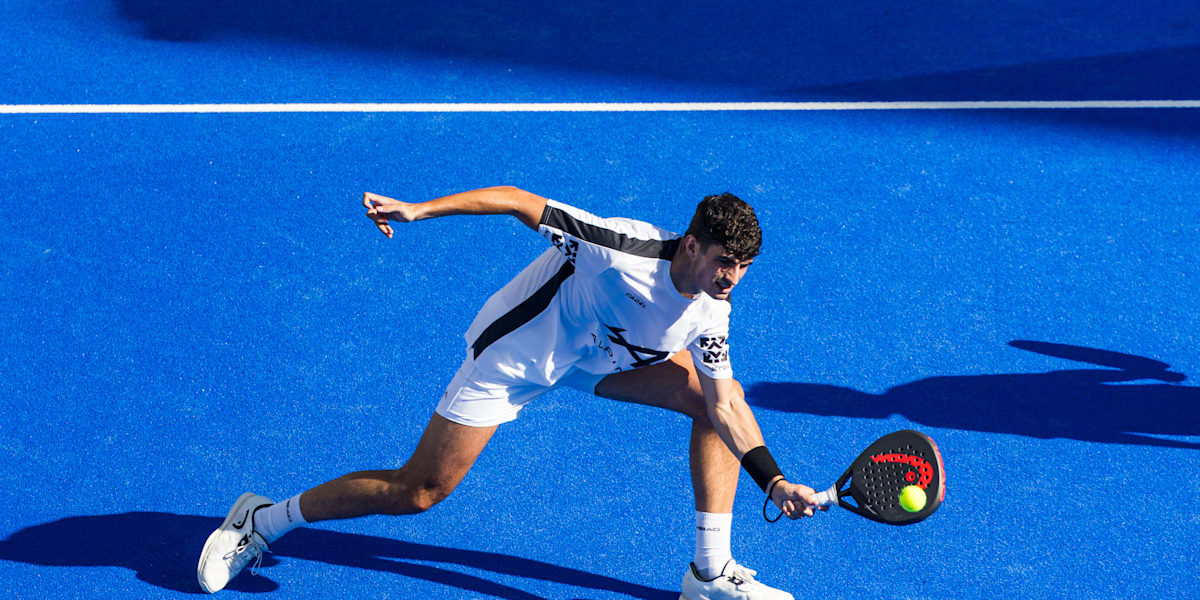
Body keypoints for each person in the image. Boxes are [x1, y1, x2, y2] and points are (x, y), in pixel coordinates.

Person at [196, 186, 823, 598]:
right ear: (692, 244)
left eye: (742, 268)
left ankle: (708, 572)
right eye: (724, 262)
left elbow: (723, 405)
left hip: (603, 361)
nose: (732, 279)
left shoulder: (716, 307)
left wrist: (774, 481)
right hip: (522, 353)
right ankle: (264, 518)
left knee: (718, 395)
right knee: (420, 491)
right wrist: (418, 211)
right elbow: (519, 201)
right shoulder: (619, 249)